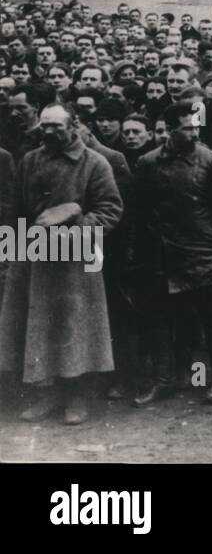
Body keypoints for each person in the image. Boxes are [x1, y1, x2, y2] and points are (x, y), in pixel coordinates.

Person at [0, 104, 123, 425]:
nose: (49, 132)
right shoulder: (30, 161)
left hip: (76, 261)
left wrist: (75, 222)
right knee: (39, 327)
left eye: (56, 126)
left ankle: (76, 396)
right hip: (35, 257)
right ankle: (47, 393)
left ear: (73, 126)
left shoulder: (95, 163)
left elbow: (110, 208)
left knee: (74, 328)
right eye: (44, 126)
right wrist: (11, 250)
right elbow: (15, 209)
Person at [130, 102, 212, 406]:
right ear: (169, 130)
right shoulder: (148, 163)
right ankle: (165, 380)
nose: (193, 133)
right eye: (186, 128)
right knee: (160, 318)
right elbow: (139, 213)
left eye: (195, 128)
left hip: (201, 251)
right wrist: (137, 255)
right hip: (162, 252)